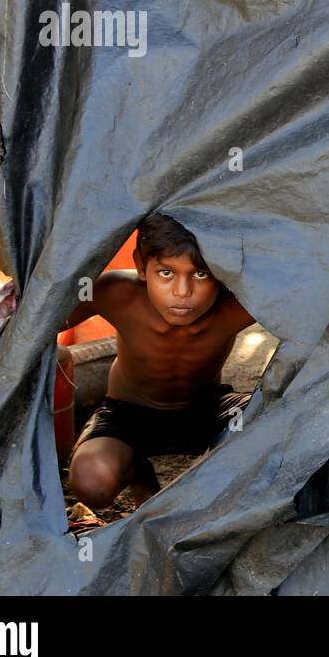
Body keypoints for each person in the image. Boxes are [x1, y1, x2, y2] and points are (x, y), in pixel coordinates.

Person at [63, 213, 256, 512]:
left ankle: (213, 477)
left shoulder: (239, 303)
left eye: (201, 274)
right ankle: (139, 473)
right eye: (166, 273)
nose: (182, 292)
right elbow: (42, 319)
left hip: (209, 410)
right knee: (93, 483)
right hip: (127, 416)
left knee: (269, 432)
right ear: (141, 265)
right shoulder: (114, 293)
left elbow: (311, 306)